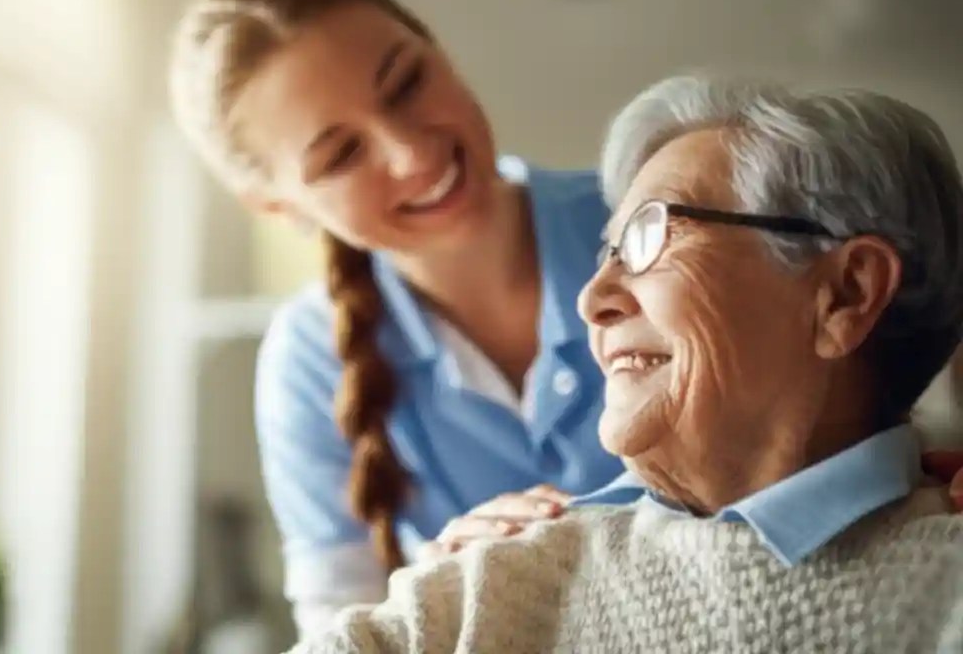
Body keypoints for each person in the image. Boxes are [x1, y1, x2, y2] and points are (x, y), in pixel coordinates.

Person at [288, 74, 963, 653]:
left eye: (647, 238)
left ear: (845, 294)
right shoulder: (486, 588)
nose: (592, 300)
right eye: (606, 252)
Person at [169, 0, 621, 633]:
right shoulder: (309, 360)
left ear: (437, 49)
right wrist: (440, 591)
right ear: (275, 206)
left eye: (407, 83)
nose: (411, 153)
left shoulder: (652, 219)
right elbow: (339, 629)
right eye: (340, 156)